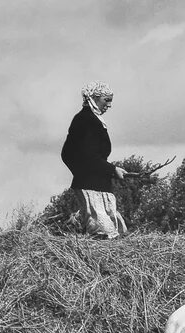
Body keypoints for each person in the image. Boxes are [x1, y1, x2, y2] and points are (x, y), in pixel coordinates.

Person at [61, 81, 129, 238]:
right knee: (103, 232)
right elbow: (81, 155)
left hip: (101, 185)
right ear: (93, 98)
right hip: (90, 185)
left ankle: (77, 223)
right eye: (107, 100)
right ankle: (76, 224)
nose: (110, 105)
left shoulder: (94, 120)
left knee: (117, 231)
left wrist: (109, 171)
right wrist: (110, 170)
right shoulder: (84, 120)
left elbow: (88, 156)